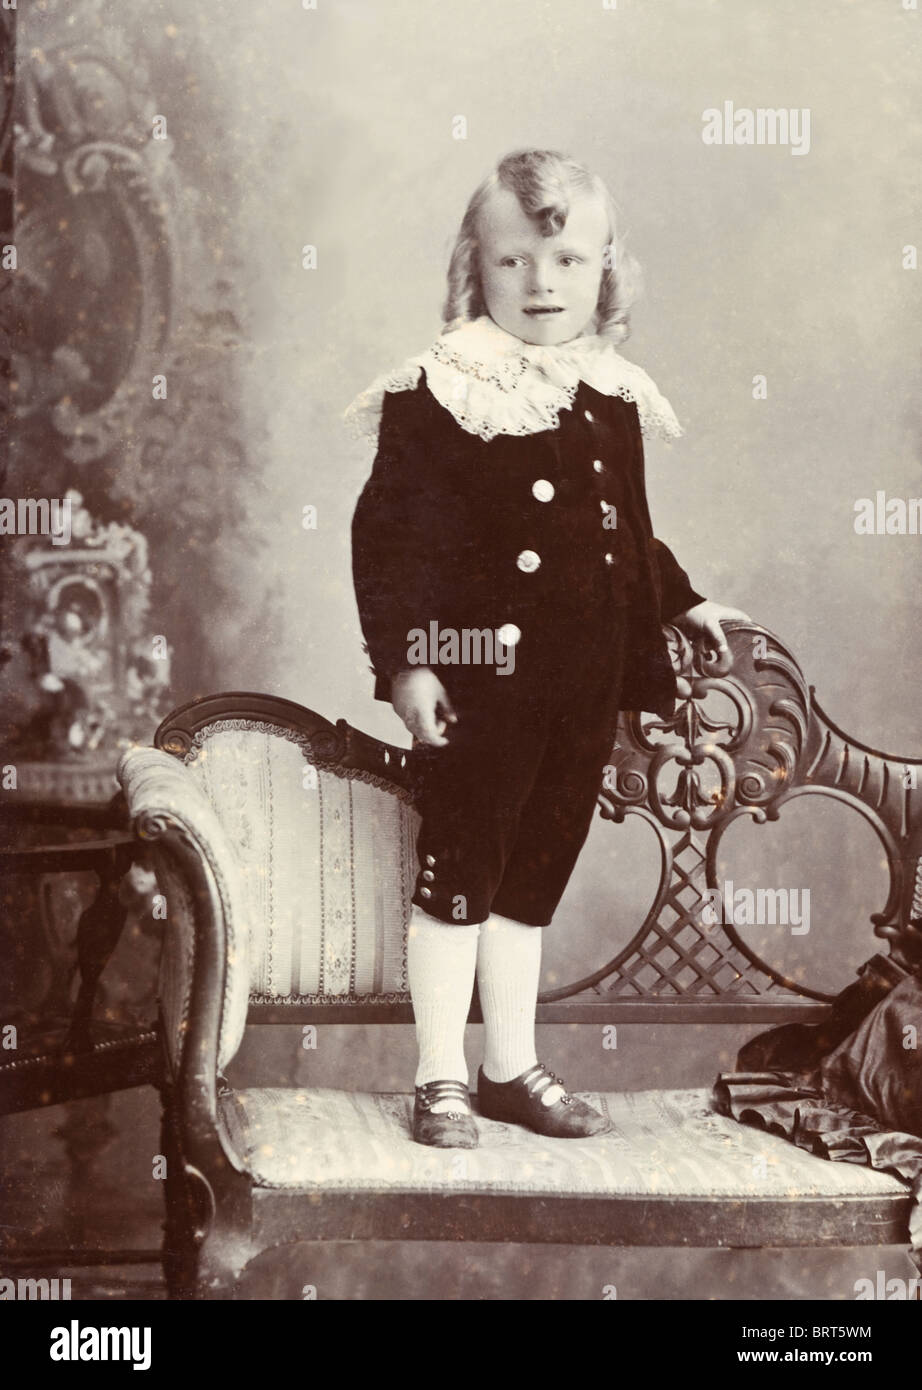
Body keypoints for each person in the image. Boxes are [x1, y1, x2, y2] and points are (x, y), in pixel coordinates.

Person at [347, 149, 749, 1149]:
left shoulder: (610, 390)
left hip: (584, 682)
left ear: (603, 270)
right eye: (514, 261)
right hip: (485, 680)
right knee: (461, 872)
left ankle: (507, 1065)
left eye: (566, 261)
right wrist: (409, 661)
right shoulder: (442, 388)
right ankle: (438, 1075)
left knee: (533, 878)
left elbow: (619, 527)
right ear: (473, 267)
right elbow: (388, 536)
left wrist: (680, 600)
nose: (540, 285)